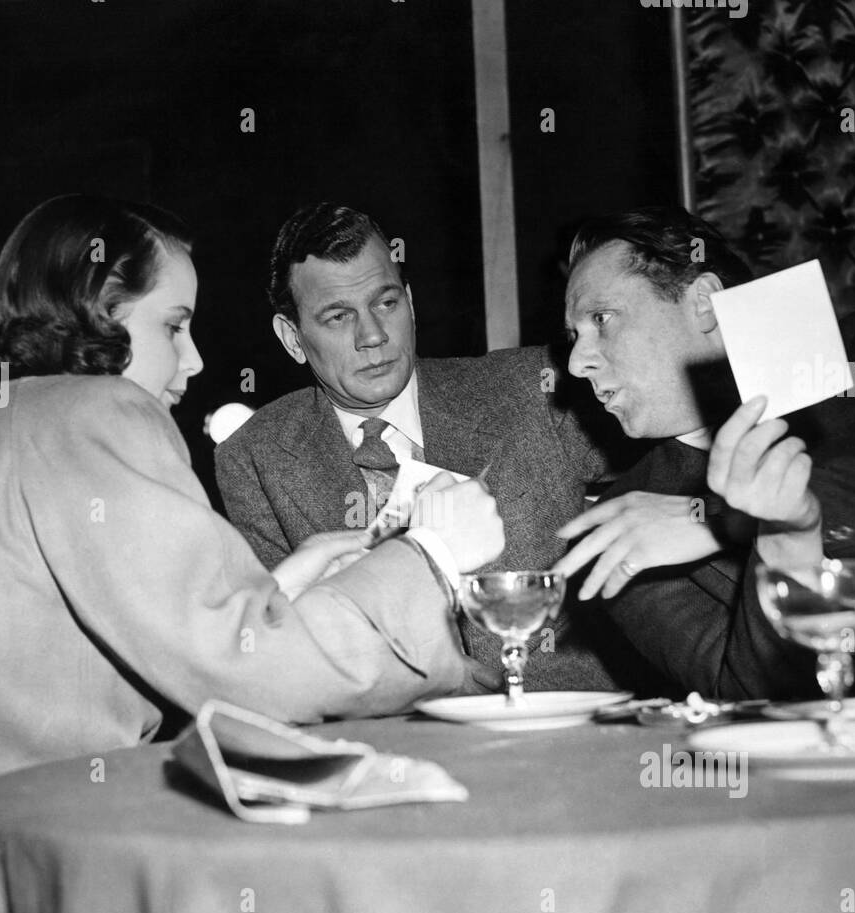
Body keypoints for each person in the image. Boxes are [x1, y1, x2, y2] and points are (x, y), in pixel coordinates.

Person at [0, 194, 504, 913]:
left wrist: (284, 585)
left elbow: (114, 630)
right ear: (100, 313)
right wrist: (432, 556)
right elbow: (259, 677)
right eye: (174, 326)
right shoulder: (98, 409)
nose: (197, 360)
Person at [552, 206, 855, 702]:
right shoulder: (627, 520)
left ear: (703, 301)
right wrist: (781, 528)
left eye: (601, 318)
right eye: (574, 336)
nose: (576, 363)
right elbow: (747, 694)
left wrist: (716, 521)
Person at [216, 203, 634, 692]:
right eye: (338, 317)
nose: (372, 336)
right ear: (292, 338)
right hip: (393, 744)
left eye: (387, 303)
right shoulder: (254, 457)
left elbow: (683, 456)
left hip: (564, 729)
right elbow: (280, 659)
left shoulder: (535, 388)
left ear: (410, 303)